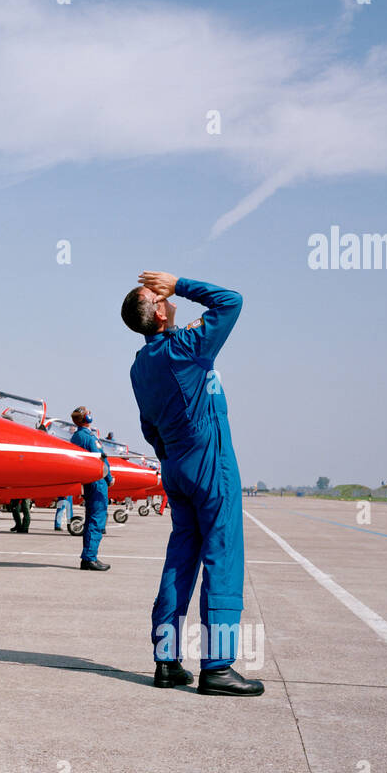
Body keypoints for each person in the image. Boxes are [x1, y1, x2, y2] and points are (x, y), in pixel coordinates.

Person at [123, 271, 263, 697]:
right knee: (222, 557)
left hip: (176, 467)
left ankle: (166, 661)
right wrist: (180, 283)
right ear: (161, 311)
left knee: (180, 559)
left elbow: (149, 428)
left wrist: (173, 457)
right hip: (210, 465)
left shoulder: (140, 365)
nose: (163, 295)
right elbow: (231, 301)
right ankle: (218, 667)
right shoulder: (185, 347)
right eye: (157, 295)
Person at [70, 408, 110, 571]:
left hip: (90, 482)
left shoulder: (76, 436)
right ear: (87, 418)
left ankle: (89, 556)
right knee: (97, 518)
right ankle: (89, 558)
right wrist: (109, 477)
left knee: (92, 518)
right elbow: (100, 459)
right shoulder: (88, 437)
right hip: (97, 482)